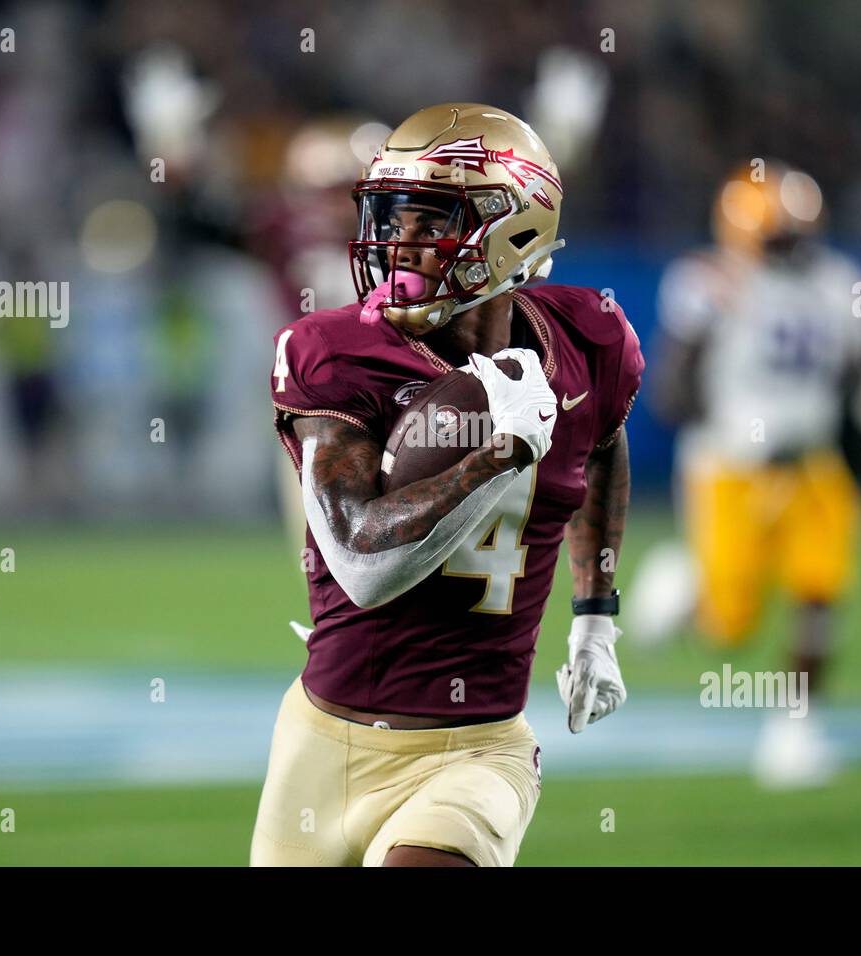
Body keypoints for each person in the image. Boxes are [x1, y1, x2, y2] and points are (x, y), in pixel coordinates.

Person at [252, 103, 643, 866]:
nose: (400, 241)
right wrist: (493, 459)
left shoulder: (588, 339)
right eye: (390, 215)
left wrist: (596, 618)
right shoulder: (335, 351)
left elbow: (601, 445)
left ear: (513, 231)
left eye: (431, 220)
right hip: (322, 745)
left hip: (478, 751)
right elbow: (363, 566)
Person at [643, 160, 861, 787]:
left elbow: (860, 360)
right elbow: (670, 390)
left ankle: (796, 731)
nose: (795, 247)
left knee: (821, 594)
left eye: (799, 232)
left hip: (813, 465)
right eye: (780, 235)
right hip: (731, 471)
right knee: (730, 628)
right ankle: (683, 590)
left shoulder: (837, 282)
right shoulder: (710, 283)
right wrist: (726, 420)